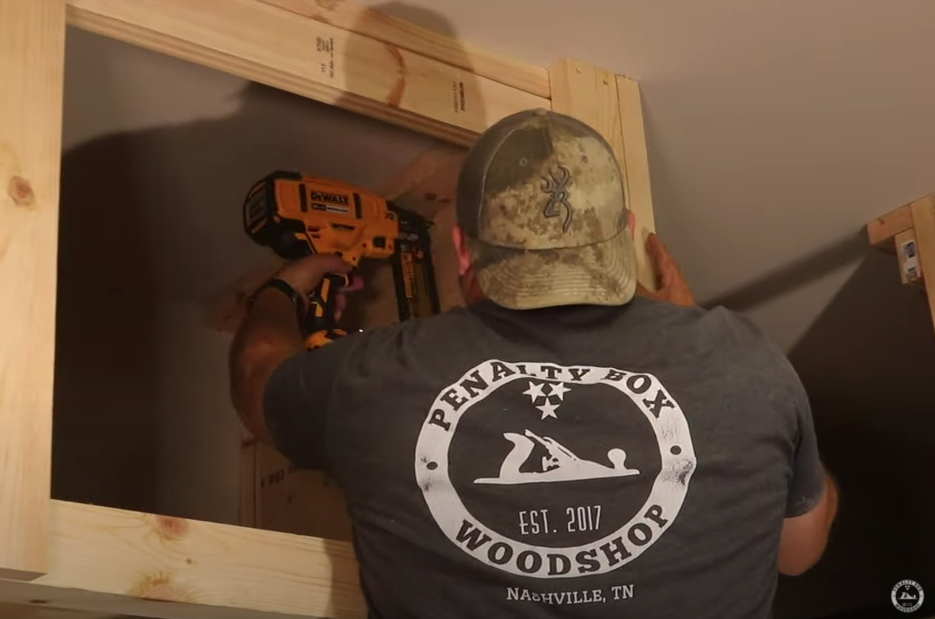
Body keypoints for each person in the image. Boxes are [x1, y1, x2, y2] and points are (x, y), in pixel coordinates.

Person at [229, 109, 837, 618]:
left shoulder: (368, 379)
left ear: (462, 251)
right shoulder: (747, 362)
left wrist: (282, 290)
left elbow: (257, 378)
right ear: (624, 234)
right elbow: (799, 553)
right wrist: (691, 329)